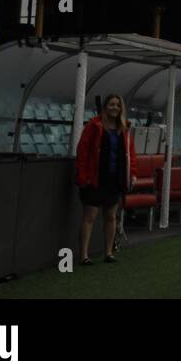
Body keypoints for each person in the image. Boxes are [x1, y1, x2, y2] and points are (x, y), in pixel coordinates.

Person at [74, 94, 137, 265]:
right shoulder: (93, 126)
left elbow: (130, 154)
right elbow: (82, 152)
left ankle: (108, 253)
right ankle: (84, 256)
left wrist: (132, 174)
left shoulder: (124, 129)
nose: (115, 107)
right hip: (94, 179)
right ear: (105, 107)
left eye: (118, 105)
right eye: (111, 104)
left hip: (114, 179)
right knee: (90, 216)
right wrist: (83, 176)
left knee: (111, 217)